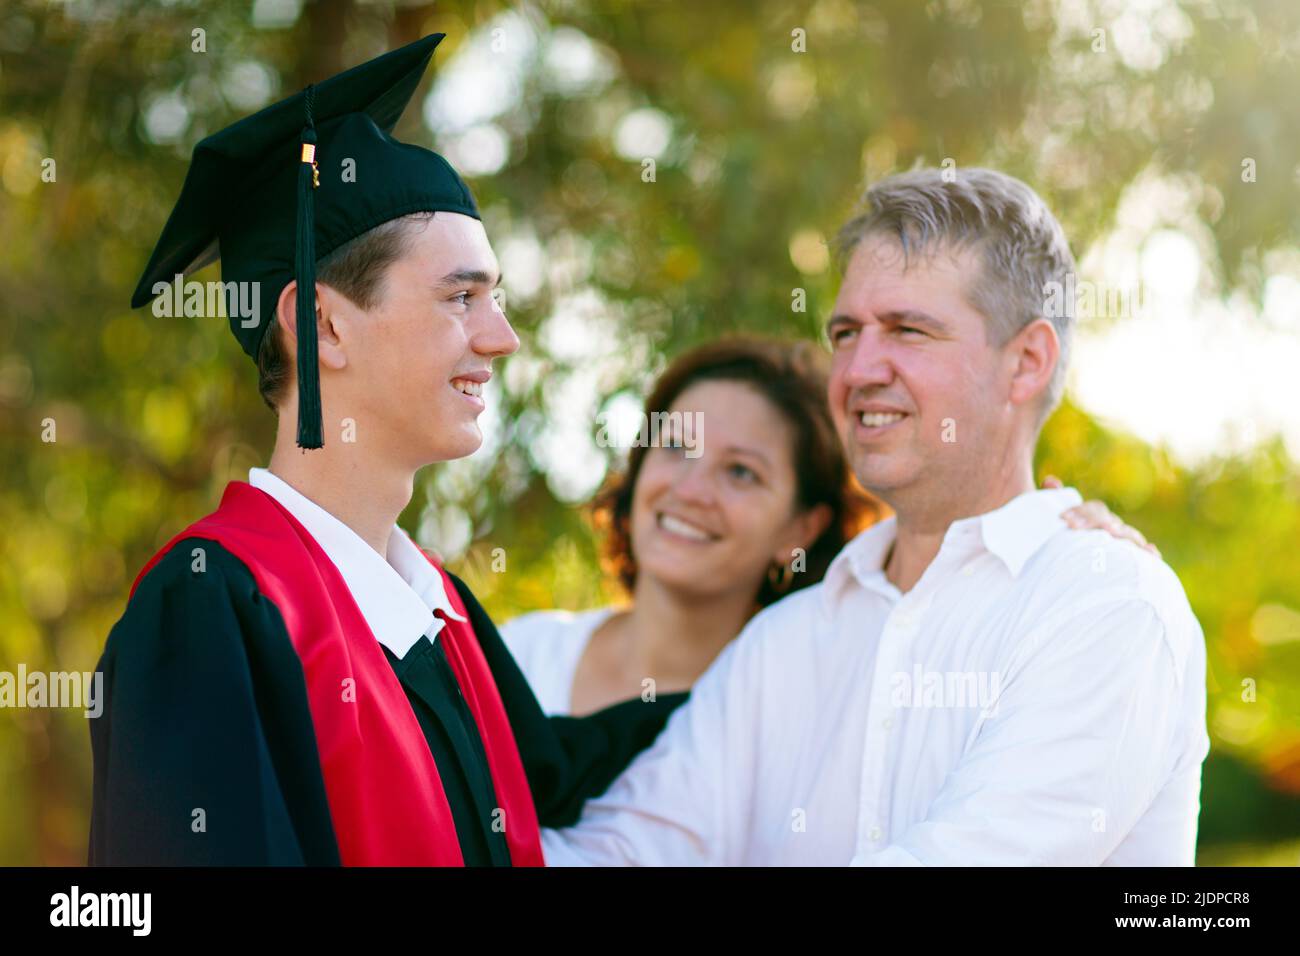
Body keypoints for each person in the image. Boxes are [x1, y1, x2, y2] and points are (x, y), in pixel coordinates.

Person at [88, 34, 684, 867]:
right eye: (461, 297)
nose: (502, 337)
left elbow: (554, 774)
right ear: (322, 325)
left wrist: (777, 661)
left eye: (496, 297)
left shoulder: (437, 607)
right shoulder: (208, 608)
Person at [541, 167, 1209, 865]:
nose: (860, 370)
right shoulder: (784, 642)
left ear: (1027, 362)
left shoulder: (1104, 605)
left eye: (908, 330)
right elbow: (626, 851)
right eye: (846, 333)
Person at [503, 338, 1157, 718]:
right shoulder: (516, 659)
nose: (691, 489)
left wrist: (1064, 535)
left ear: (802, 527)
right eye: (677, 447)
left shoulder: (815, 707)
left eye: (741, 473)